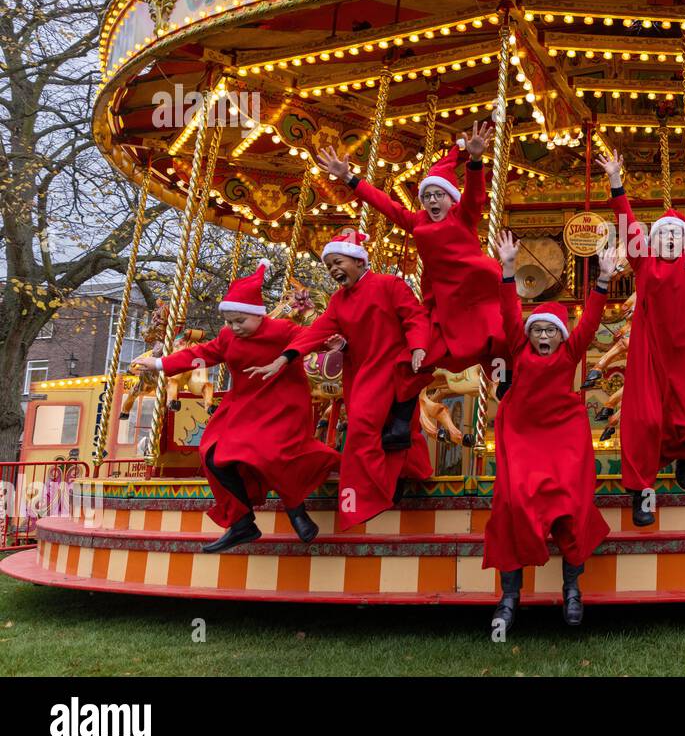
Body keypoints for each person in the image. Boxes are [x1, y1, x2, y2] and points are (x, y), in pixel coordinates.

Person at [131, 259, 337, 553]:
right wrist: (160, 362)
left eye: (240, 320)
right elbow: (202, 353)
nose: (233, 327)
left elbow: (309, 339)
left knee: (269, 453)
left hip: (282, 403)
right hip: (243, 405)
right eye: (229, 321)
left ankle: (296, 510)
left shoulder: (281, 330)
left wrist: (330, 342)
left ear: (258, 315)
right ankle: (241, 522)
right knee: (212, 454)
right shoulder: (228, 336)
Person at [246, 230, 433, 531]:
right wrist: (285, 358)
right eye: (329, 265)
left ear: (359, 261)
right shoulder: (339, 301)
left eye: (338, 261)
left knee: (364, 429)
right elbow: (315, 332)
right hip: (362, 372)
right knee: (390, 431)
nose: (333, 269)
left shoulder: (390, 285)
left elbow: (414, 317)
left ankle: (373, 494)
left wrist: (418, 346)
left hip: (393, 368)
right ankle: (404, 478)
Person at [485, 232, 617, 632]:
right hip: (524, 439)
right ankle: (509, 597)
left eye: (550, 332)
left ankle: (572, 590)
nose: (544, 337)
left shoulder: (572, 351)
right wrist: (508, 269)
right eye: (538, 331)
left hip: (564, 440)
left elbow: (591, 322)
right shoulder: (518, 348)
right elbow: (510, 313)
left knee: (571, 510)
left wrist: (603, 280)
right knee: (511, 506)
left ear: (561, 334)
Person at [595, 148, 685, 524]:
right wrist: (615, 181)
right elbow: (626, 222)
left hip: (684, 351)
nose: (670, 238)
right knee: (645, 421)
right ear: (653, 241)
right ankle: (641, 490)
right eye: (664, 234)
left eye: (676, 233)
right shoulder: (644, 262)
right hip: (648, 350)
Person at [315, 121, 503, 375]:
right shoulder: (418, 222)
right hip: (443, 295)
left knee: (495, 331)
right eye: (427, 196)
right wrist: (349, 177)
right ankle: (406, 397)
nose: (432, 200)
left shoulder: (462, 215)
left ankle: (508, 374)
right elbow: (384, 204)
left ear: (451, 197)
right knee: (431, 345)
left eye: (439, 194)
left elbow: (475, 195)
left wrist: (476, 160)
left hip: (472, 286)